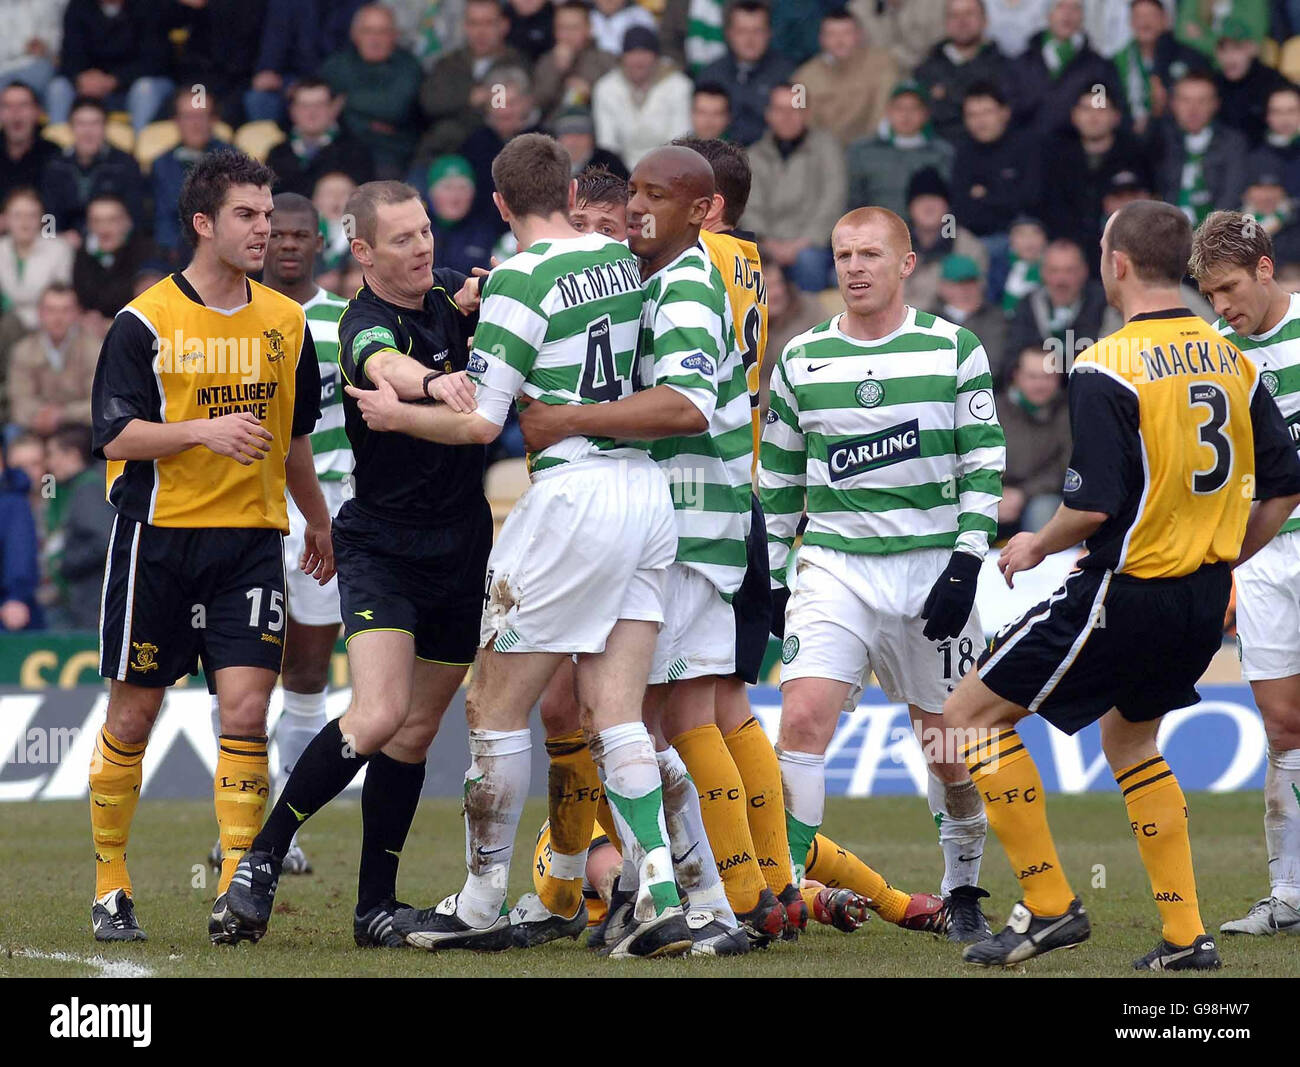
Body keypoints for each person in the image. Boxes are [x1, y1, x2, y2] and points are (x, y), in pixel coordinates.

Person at [341, 135, 692, 959]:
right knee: (617, 712)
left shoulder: (520, 280)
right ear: (572, 193)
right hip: (645, 492)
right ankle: (666, 896)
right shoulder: (617, 255)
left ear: (499, 206)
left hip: (572, 499)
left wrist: (396, 416)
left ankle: (481, 901)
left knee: (492, 705)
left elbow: (478, 421)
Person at [946, 199, 1300, 971]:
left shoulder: (1107, 363)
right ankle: (1185, 936)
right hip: (1205, 600)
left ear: (1118, 264)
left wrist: (1036, 542)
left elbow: (1092, 504)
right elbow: (1284, 482)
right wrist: (1226, 555)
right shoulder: (1233, 358)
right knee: (1130, 736)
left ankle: (1048, 905)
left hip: (1125, 590)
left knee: (965, 718)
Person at [516, 144, 784, 953]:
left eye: (653, 197)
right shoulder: (680, 273)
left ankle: (675, 893)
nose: (635, 209)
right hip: (705, 519)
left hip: (684, 526)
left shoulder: (687, 283)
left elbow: (686, 405)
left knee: (624, 719)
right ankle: (715, 901)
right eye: (630, 193)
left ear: (701, 210)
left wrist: (565, 418)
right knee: (674, 721)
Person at [224, 179, 487, 948]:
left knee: (415, 731)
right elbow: (385, 368)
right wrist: (436, 381)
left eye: (427, 232)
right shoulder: (359, 325)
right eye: (402, 239)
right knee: (377, 713)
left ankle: (375, 907)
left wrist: (482, 296)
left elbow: (485, 301)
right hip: (380, 544)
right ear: (363, 251)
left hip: (462, 543)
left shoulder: (451, 297)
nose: (424, 247)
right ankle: (262, 858)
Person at [87, 150, 332, 945]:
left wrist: (318, 519)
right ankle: (110, 882)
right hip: (156, 539)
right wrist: (201, 430)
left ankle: (235, 888)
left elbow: (293, 437)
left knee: (248, 710)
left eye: (269, 216)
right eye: (247, 216)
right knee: (134, 714)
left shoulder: (287, 322)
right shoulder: (145, 320)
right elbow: (114, 432)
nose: (265, 230)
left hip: (252, 543)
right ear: (204, 223)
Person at [761, 204, 1005, 943]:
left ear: (906, 264)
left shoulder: (953, 348)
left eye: (871, 254)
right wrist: (772, 577)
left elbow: (983, 462)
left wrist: (966, 561)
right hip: (835, 566)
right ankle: (773, 889)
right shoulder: (802, 357)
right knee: (801, 719)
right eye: (843, 254)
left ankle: (962, 884)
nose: (855, 267)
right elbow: (777, 479)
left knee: (948, 748)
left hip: (932, 568)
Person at [205, 192, 353, 880]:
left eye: (299, 234)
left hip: (328, 503)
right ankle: (234, 822)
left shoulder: (342, 319)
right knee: (241, 669)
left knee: (306, 671)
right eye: (277, 232)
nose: (287, 243)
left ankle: (283, 829)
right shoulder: (235, 317)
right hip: (251, 503)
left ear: (317, 243)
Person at [1191, 210, 1300, 936]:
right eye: (1208, 294)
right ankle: (1288, 892)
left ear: (1265, 268)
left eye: (1228, 287)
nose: (1221, 305)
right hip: (1263, 552)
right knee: (1283, 722)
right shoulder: (1217, 358)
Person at [742, 83, 846, 293]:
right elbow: (749, 207)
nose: (787, 117)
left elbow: (833, 201)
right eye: (780, 110)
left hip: (813, 245)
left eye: (795, 110)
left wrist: (801, 244)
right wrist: (769, 243)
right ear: (769, 114)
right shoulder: (754, 155)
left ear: (806, 113)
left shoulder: (827, 149)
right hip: (765, 244)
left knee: (809, 261)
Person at [319, 4, 424, 179]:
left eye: (382, 32)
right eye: (367, 31)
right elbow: (321, 108)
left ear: (394, 36)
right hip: (342, 149)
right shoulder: (337, 65)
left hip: (389, 152)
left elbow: (394, 108)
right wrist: (370, 122)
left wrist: (346, 101)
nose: (374, 39)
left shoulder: (408, 66)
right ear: (355, 35)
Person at [418, 0, 527, 158]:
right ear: (465, 26)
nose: (480, 31)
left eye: (488, 23)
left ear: (503, 26)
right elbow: (430, 102)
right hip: (443, 151)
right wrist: (470, 97)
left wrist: (458, 105)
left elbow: (504, 110)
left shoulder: (516, 64)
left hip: (495, 154)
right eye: (473, 23)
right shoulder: (448, 63)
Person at [45, 0, 175, 131]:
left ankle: (143, 148)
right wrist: (81, 78)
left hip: (134, 84)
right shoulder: (79, 6)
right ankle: (60, 147)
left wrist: (115, 80)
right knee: (58, 88)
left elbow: (155, 60)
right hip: (90, 87)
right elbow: (69, 56)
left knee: (145, 89)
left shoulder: (148, 6)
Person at [1006, 238, 1120, 378]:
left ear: (1084, 271)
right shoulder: (1027, 305)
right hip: (1041, 391)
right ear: (1043, 272)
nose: (1061, 280)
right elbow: (1013, 359)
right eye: (1054, 271)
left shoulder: (1105, 303)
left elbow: (1114, 357)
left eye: (1069, 271)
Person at [1007, 0, 1119, 140]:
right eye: (1060, 6)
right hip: (1027, 151)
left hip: (1077, 153)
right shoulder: (1021, 64)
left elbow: (1100, 111)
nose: (1067, 14)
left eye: (1075, 8)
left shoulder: (1098, 68)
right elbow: (1009, 111)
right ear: (1048, 14)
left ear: (1083, 16)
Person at [846, 82, 956, 220]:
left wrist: (946, 238)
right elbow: (852, 201)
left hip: (926, 234)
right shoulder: (862, 151)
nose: (906, 115)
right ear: (888, 111)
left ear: (926, 114)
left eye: (914, 108)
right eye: (899, 108)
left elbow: (950, 206)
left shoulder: (943, 153)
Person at [42, 422, 114, 631]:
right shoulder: (76, 488)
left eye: (52, 454)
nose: (49, 463)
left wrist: (65, 563)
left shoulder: (88, 489)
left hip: (91, 603)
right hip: (84, 602)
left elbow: (105, 540)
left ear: (72, 455)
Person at [790, 9, 897, 147]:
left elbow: (883, 116)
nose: (839, 41)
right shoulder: (802, 79)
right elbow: (800, 126)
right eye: (831, 34)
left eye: (847, 33)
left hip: (872, 149)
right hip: (825, 153)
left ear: (859, 35)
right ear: (821, 39)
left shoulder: (883, 65)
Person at [40, 96, 145, 235]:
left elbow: (136, 216)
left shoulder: (125, 164)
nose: (88, 131)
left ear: (105, 126)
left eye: (95, 123)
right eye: (81, 124)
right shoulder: (55, 165)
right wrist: (53, 238)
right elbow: (48, 214)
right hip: (66, 243)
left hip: (115, 243)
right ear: (70, 127)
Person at [1155, 71, 1249, 227]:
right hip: (1165, 233)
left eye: (1202, 101)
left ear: (1215, 104)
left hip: (1215, 235)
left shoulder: (1233, 143)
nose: (1193, 109)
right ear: (1173, 104)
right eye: (1185, 100)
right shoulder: (1159, 140)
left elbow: (1232, 196)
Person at [590, 27, 692, 170]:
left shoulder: (679, 86)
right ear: (623, 57)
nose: (638, 60)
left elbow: (679, 140)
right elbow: (607, 144)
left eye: (644, 53)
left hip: (668, 170)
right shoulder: (605, 88)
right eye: (632, 53)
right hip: (620, 172)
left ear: (656, 57)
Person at [696, 1, 796, 146]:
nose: (750, 40)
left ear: (769, 33)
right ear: (729, 34)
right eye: (742, 31)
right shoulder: (710, 75)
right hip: (719, 158)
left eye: (757, 31)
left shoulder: (789, 74)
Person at [151, 90, 233, 264]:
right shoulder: (161, 164)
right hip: (174, 254)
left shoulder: (234, 161)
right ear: (176, 121)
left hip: (224, 249)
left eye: (201, 116)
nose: (195, 124)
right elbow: (162, 216)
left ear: (214, 120)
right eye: (188, 117)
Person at [996, 346, 1071, 537]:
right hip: (995, 494)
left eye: (1048, 377)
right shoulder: (993, 409)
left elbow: (1066, 468)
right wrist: (994, 494)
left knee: (1042, 509)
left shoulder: (1067, 413)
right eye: (1032, 376)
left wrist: (1023, 493)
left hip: (1041, 495)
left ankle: (1042, 567)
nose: (1040, 384)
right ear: (1016, 376)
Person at [914, 0, 1009, 145]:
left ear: (985, 20)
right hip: (937, 153)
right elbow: (922, 116)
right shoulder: (926, 68)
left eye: (969, 14)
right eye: (954, 15)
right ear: (945, 23)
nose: (961, 21)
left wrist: (947, 95)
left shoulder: (1006, 66)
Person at [7, 283, 97, 435]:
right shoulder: (23, 351)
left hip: (80, 428)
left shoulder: (94, 349)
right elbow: (19, 402)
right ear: (40, 313)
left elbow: (98, 404)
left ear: (77, 313)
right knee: (16, 439)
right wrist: (43, 415)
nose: (58, 317)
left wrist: (63, 414)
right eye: (51, 310)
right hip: (33, 425)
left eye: (65, 310)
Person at [1113, 0, 1210, 139]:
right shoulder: (1117, 61)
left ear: (1166, 20)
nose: (1145, 22)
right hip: (1129, 138)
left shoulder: (1192, 59)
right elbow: (1102, 97)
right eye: (1139, 16)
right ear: (1130, 22)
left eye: (1152, 16)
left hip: (1181, 137)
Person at [265, 79, 375, 198]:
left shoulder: (355, 151)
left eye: (319, 105)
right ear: (292, 110)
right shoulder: (277, 153)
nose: (312, 112)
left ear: (333, 108)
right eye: (304, 106)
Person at [72, 194, 158, 321]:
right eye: (96, 221)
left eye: (112, 220)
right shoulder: (82, 253)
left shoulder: (147, 253)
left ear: (127, 222)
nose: (104, 228)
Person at [0, 188, 73, 331]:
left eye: (31, 216)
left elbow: (60, 295)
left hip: (46, 325)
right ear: (5, 219)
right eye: (17, 215)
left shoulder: (60, 249)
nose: (24, 222)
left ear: (42, 219)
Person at [533, 0, 617, 122]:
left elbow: (618, 104)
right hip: (553, 131)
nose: (568, 34)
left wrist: (592, 94)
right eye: (562, 28)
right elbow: (537, 104)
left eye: (574, 28)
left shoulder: (606, 61)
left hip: (593, 130)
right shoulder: (546, 61)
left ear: (589, 28)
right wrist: (558, 71)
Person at [0, 437, 40, 631]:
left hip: (41, 602)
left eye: (35, 463)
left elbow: (19, 550)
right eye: (21, 465)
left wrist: (16, 595)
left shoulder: (55, 494)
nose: (29, 471)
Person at [0, 82, 59, 209]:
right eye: (7, 106)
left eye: (23, 105)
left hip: (42, 227)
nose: (15, 113)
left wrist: (45, 227)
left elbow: (57, 212)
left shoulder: (54, 155)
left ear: (38, 112)